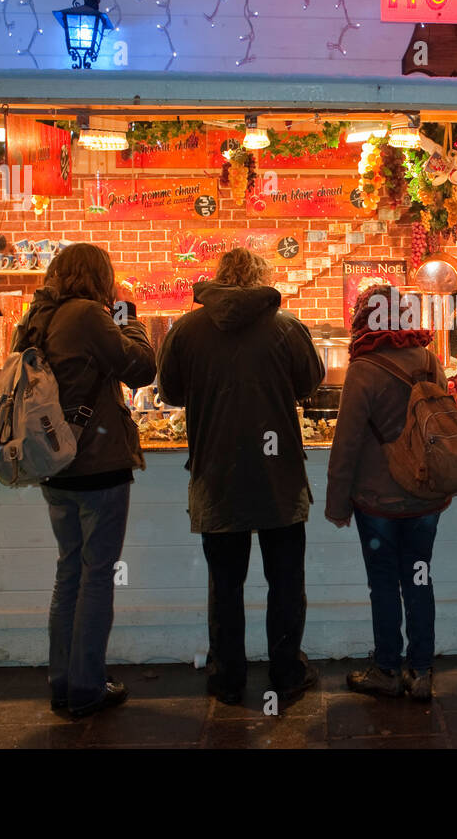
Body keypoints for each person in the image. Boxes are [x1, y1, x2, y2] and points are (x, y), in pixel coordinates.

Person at [157, 248, 324, 706]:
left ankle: (226, 677)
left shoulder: (186, 330)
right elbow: (311, 382)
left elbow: (168, 390)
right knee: (286, 580)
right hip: (279, 473)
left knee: (225, 583)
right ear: (260, 277)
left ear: (218, 277)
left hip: (216, 471)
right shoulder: (285, 327)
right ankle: (287, 672)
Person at [13, 242, 157, 718]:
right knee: (98, 576)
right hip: (97, 463)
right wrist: (129, 319)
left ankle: (62, 680)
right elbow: (141, 368)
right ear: (99, 277)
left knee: (69, 571)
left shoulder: (39, 316)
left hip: (55, 465)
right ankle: (87, 686)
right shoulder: (88, 315)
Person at [326, 284, 450, 701]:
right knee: (419, 577)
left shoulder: (363, 367)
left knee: (383, 583)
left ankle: (387, 669)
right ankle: (422, 671)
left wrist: (336, 502)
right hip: (425, 495)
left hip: (378, 501)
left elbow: (346, 444)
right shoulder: (430, 358)